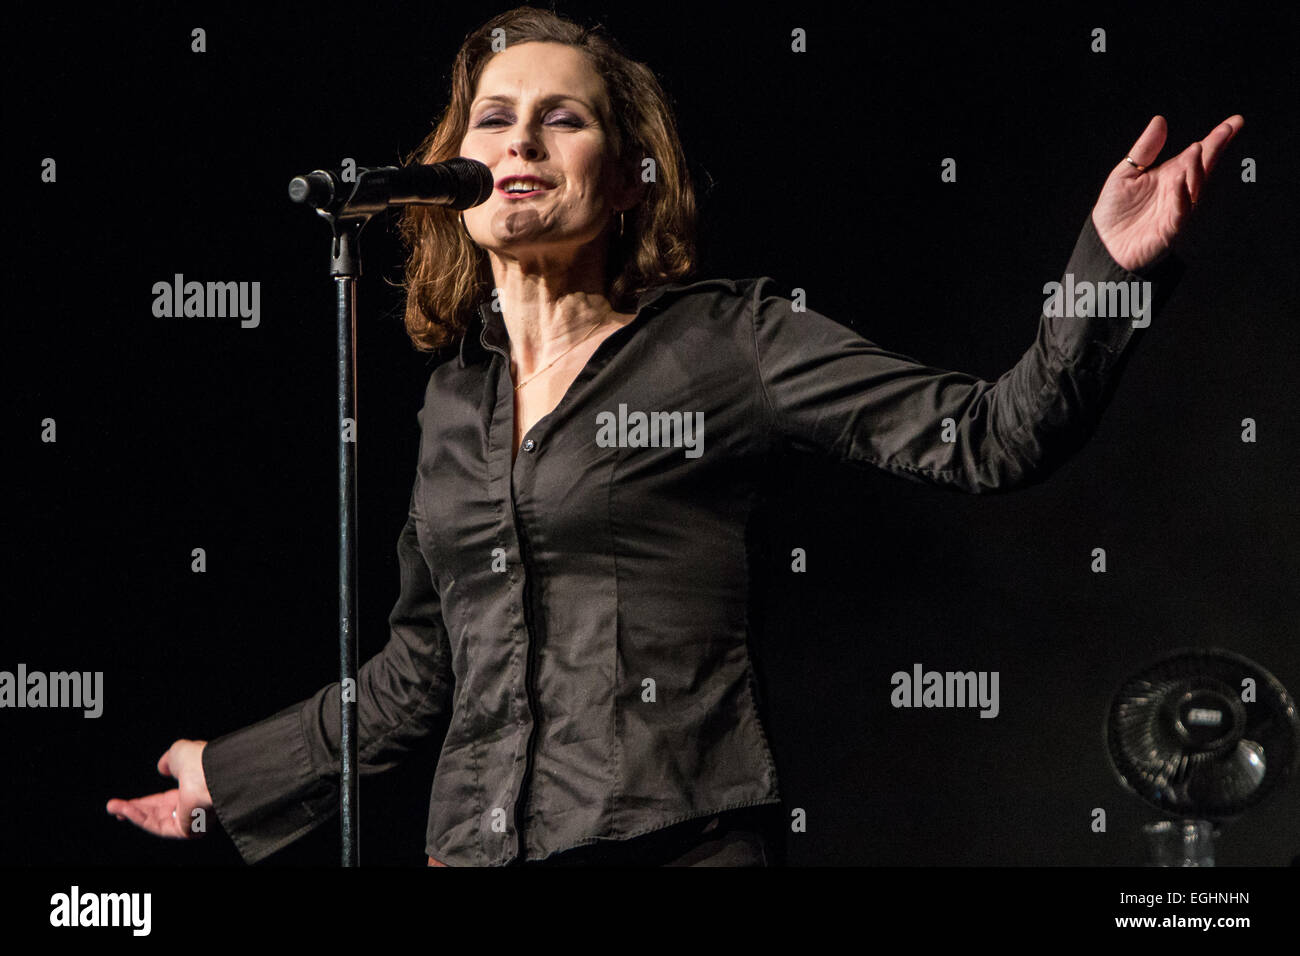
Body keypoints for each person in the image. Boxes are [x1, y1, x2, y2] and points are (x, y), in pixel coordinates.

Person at [106, 6, 1243, 866]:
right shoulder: (453, 402)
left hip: (674, 844)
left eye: (564, 117)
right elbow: (422, 669)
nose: (519, 141)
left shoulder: (727, 341)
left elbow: (989, 436)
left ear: (628, 179)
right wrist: (230, 771)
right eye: (492, 119)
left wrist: (1103, 276)